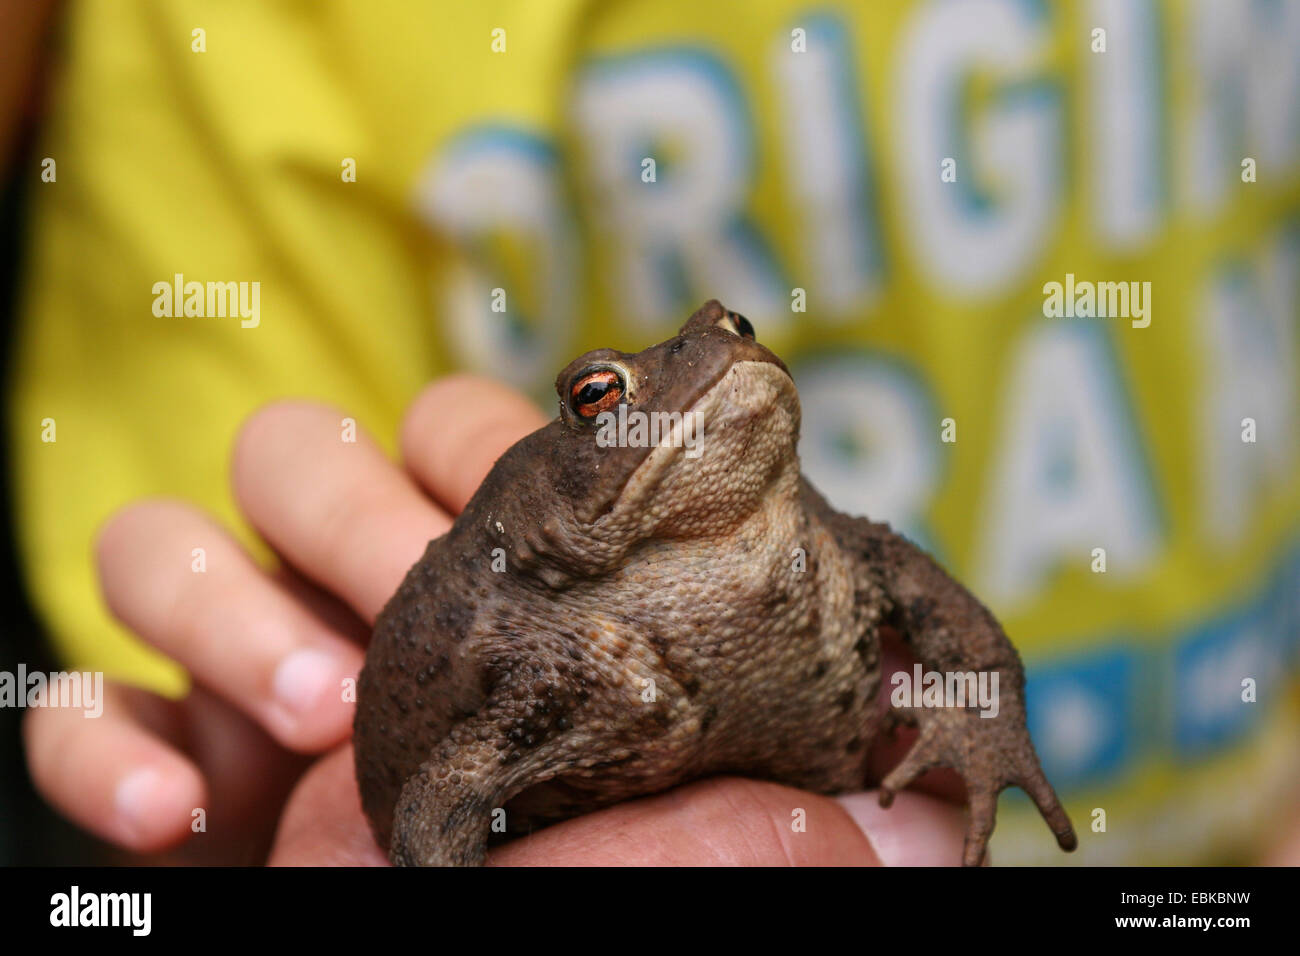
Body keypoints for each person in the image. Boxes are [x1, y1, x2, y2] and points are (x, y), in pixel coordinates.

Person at [6, 0, 1299, 865]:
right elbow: (434, 801)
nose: (720, 357)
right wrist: (268, 754)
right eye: (606, 398)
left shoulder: (819, 548)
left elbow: (923, 595)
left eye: (732, 329)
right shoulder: (255, 35)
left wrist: (985, 730)